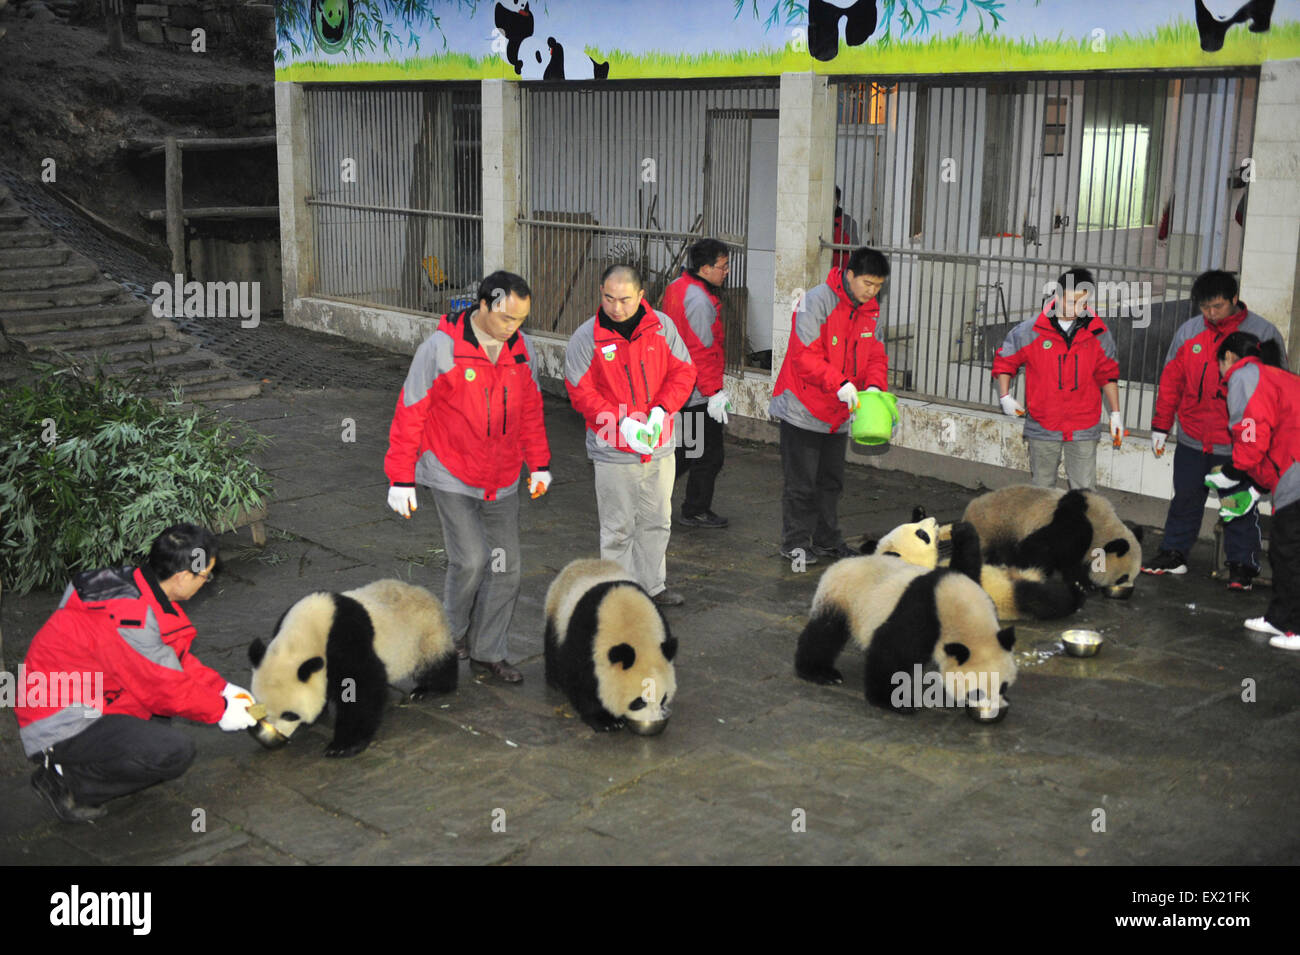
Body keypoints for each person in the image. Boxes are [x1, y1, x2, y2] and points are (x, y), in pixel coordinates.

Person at [15, 524, 257, 823]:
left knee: (157, 726)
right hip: (60, 719)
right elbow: (164, 686)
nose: (205, 583)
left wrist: (222, 689)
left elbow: (168, 660)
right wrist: (220, 710)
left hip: (83, 696)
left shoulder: (136, 586)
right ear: (183, 576)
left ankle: (80, 763)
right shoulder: (132, 617)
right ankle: (66, 782)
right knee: (171, 752)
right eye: (205, 576)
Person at [385, 271, 551, 684]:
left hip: (503, 475)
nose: (515, 328)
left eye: (522, 320)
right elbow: (411, 411)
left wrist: (540, 462)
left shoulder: (523, 350)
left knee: (507, 568)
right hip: (451, 471)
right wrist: (401, 478)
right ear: (482, 306)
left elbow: (530, 410)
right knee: (472, 559)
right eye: (508, 318)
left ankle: (487, 652)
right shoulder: (440, 349)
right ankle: (446, 638)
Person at [1142, 270, 1287, 588]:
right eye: (1204, 307)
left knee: (1238, 504)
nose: (1210, 314)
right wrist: (1160, 425)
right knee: (1185, 497)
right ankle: (1174, 554)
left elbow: (1276, 390)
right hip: (1194, 436)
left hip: (1236, 443)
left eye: (1218, 306)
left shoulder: (1263, 333)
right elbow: (1171, 381)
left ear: (1234, 300)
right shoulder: (1190, 332)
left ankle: (1242, 566)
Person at [564, 264, 696, 605]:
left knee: (657, 520)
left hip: (660, 443)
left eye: (625, 299)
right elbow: (581, 391)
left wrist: (661, 411)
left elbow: (683, 372)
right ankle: (617, 594)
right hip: (612, 450)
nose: (616, 307)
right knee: (618, 528)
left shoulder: (662, 327)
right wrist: (621, 424)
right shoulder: (586, 338)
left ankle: (652, 587)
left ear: (641, 295)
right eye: (609, 298)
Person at [769, 247, 890, 564]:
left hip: (839, 412)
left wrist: (875, 386)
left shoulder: (870, 310)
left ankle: (826, 539)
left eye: (878, 285)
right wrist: (839, 383)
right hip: (803, 407)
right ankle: (795, 543)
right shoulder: (816, 301)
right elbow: (804, 355)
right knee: (801, 484)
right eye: (867, 283)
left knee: (831, 482)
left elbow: (875, 354)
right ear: (849, 275)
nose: (872, 291)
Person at [991, 267, 1123, 490]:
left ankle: (1078, 527)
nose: (1077, 309)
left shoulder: (1098, 333)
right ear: (1058, 296)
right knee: (1042, 490)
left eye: (1083, 303)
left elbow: (1108, 374)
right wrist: (1005, 396)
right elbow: (1005, 361)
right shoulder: (1031, 331)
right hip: (1043, 423)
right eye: (1071, 302)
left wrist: (1116, 414)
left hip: (1083, 424)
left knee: (1084, 493)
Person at [1214, 331, 1300, 648]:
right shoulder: (1271, 375)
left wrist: (1233, 470)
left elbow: (1251, 428)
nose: (1221, 373)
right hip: (1290, 467)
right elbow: (1269, 441)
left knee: (1292, 551)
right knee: (1282, 549)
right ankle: (1280, 619)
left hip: (1296, 469)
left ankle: (1297, 628)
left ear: (1229, 358)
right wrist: (1255, 486)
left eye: (1219, 364)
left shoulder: (1245, 375)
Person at [661, 238, 732, 529]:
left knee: (687, 450)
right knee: (708, 455)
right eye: (722, 266)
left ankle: (651, 499)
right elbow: (703, 351)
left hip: (680, 386)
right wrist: (713, 393)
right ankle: (695, 509)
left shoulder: (677, 287)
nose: (726, 271)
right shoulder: (700, 301)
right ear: (704, 268)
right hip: (697, 390)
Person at [832, 186, 860, 270]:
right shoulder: (818, 222)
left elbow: (854, 250)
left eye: (833, 199)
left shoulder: (849, 222)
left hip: (841, 273)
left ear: (838, 201)